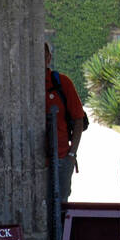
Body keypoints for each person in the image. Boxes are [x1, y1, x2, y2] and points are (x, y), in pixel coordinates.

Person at [44, 42, 85, 203]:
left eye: (42, 56)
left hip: (61, 158)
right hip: (30, 161)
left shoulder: (62, 83)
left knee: (60, 208)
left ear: (49, 58)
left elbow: (78, 119)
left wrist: (71, 155)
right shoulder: (20, 86)